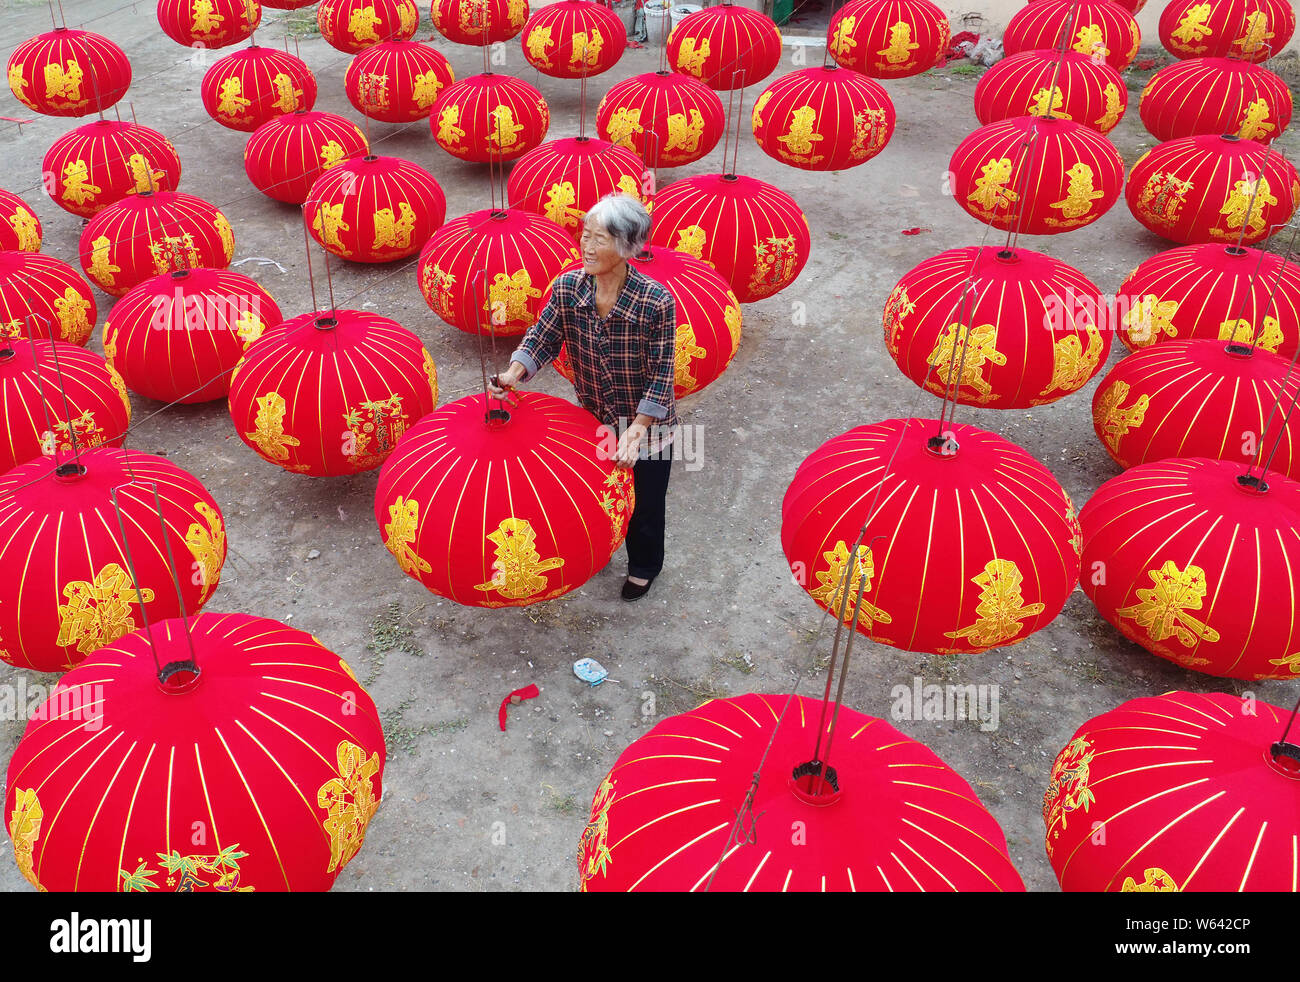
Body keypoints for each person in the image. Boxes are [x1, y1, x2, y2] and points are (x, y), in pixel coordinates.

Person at [490, 193, 676, 602]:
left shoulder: (655, 301)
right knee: (598, 491)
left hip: (650, 424)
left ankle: (644, 566)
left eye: (601, 239)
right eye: (585, 236)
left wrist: (638, 430)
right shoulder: (568, 288)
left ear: (627, 246)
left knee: (645, 503)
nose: (588, 248)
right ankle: (600, 548)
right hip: (592, 415)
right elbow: (544, 336)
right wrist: (514, 372)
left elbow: (664, 373)